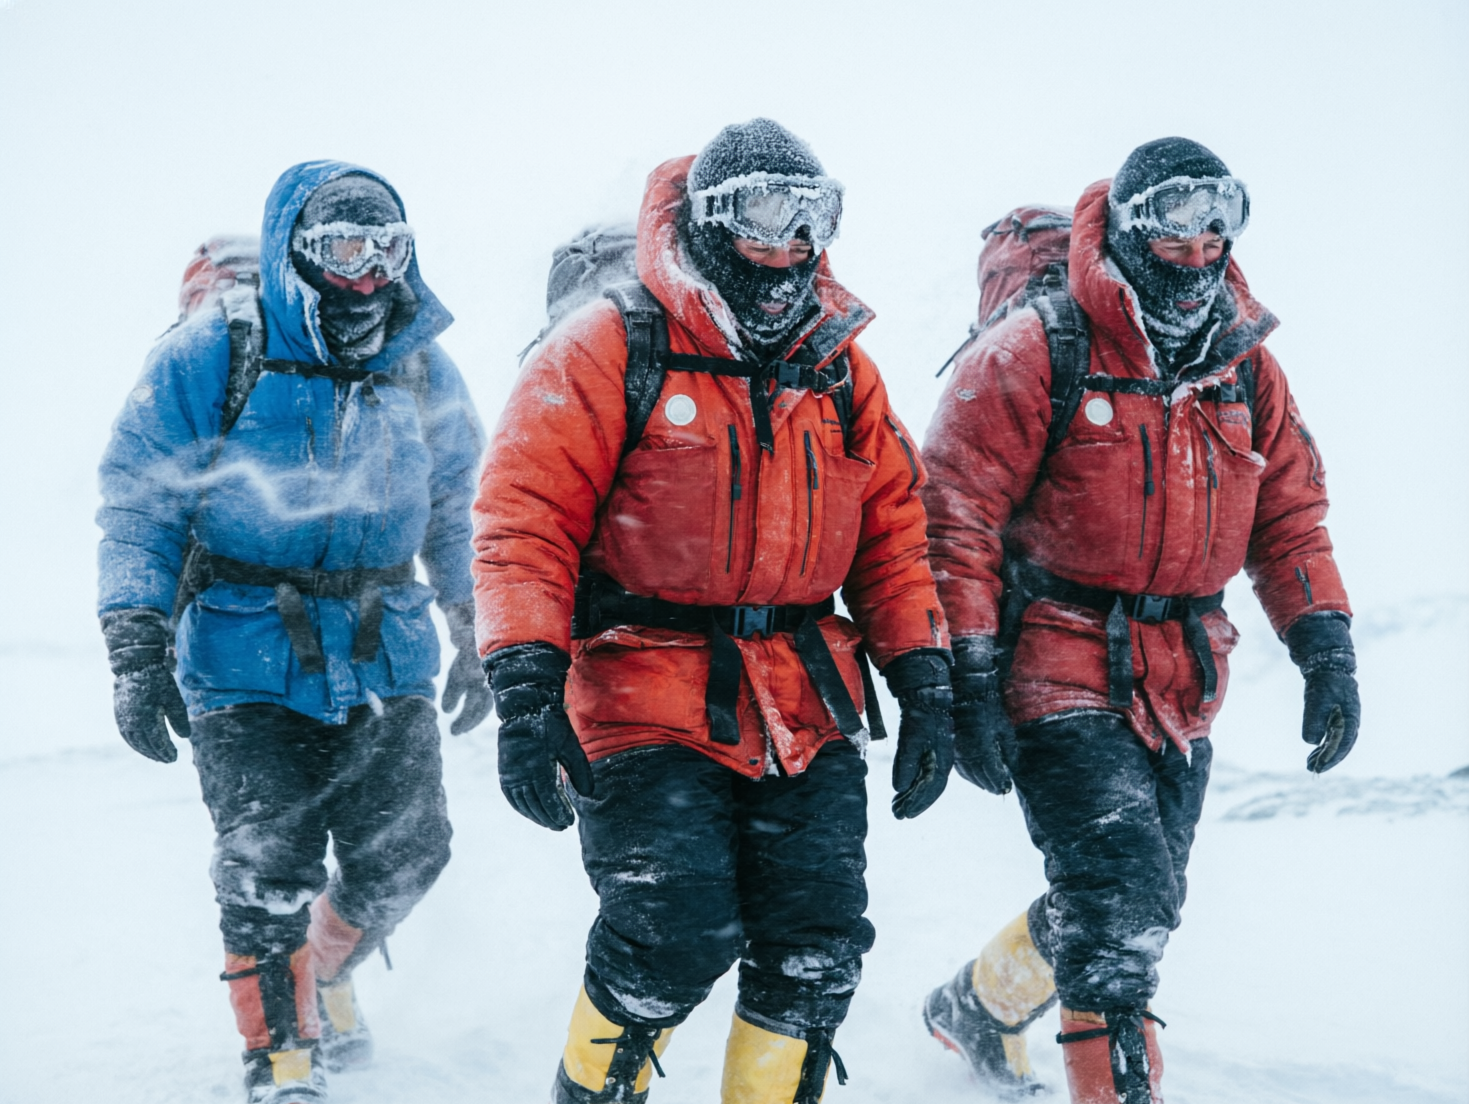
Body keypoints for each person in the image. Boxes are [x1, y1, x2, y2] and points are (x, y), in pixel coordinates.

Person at [470, 118, 955, 1104]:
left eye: (806, 218)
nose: (783, 247)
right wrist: (525, 690)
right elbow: (523, 520)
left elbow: (892, 531)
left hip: (804, 701)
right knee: (671, 932)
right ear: (705, 222)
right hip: (639, 690)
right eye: (758, 216)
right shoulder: (610, 345)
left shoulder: (838, 366)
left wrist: (925, 676)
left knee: (815, 946)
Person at [918, 138, 1360, 1103]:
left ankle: (975, 1010)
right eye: (1175, 224)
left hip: (1183, 672)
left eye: (1219, 225)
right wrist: (966, 677)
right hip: (1052, 659)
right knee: (1123, 913)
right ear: (1128, 227)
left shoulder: (1245, 362)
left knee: (1138, 896)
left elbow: (1288, 511)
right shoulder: (1038, 350)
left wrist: (1322, 640)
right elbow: (953, 520)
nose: (1199, 251)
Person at [96, 161, 488, 1104]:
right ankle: (280, 1059)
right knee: (266, 864)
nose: (365, 274)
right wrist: (135, 645)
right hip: (241, 657)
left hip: (385, 648)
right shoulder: (208, 355)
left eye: (385, 249)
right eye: (340, 250)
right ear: (292, 256)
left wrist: (479, 624)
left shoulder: (423, 361)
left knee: (409, 853)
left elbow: (458, 511)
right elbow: (139, 511)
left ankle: (328, 966)